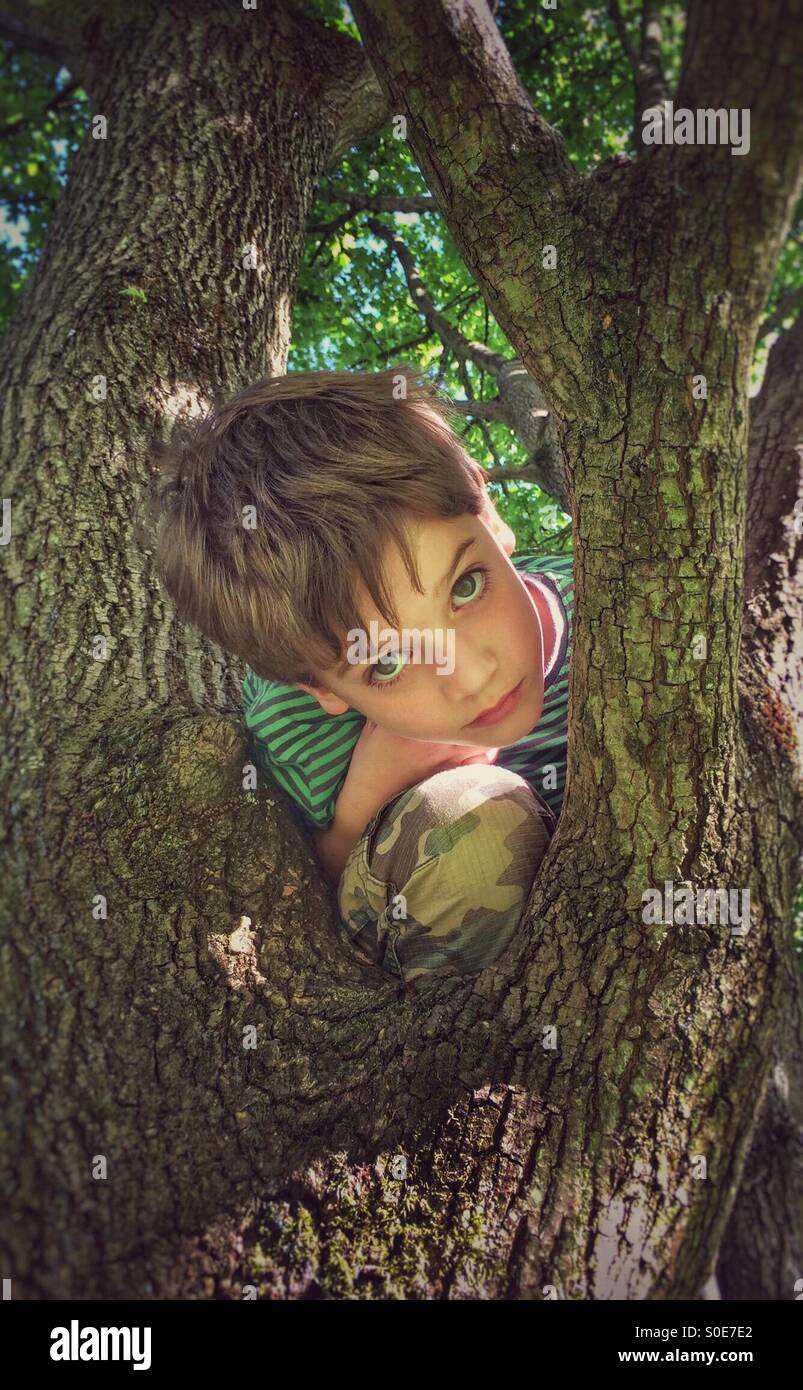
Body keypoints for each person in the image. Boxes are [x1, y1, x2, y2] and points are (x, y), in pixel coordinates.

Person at [151, 365, 572, 989]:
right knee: (470, 823)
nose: (471, 675)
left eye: (465, 585)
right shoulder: (301, 731)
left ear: (488, 511)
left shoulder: (617, 607)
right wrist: (361, 804)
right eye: (387, 662)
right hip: (432, 942)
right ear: (318, 688)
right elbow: (289, 902)